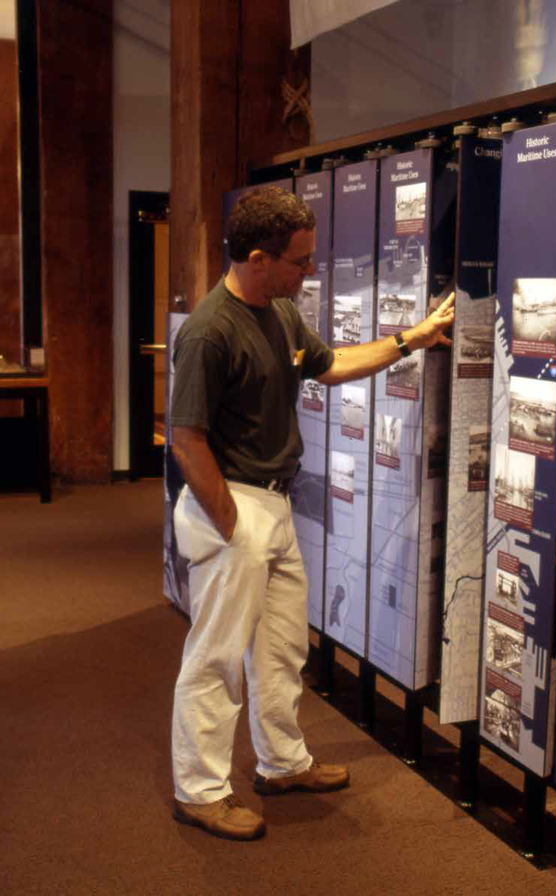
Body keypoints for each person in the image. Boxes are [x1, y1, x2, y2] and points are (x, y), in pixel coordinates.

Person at [169, 185, 454, 841]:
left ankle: (281, 763)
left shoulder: (278, 312)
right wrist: (233, 525)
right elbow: (186, 438)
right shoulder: (212, 331)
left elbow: (329, 367)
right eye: (299, 261)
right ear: (258, 257)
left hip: (271, 504)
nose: (310, 271)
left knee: (280, 649)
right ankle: (200, 790)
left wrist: (411, 338)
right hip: (233, 507)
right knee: (214, 659)